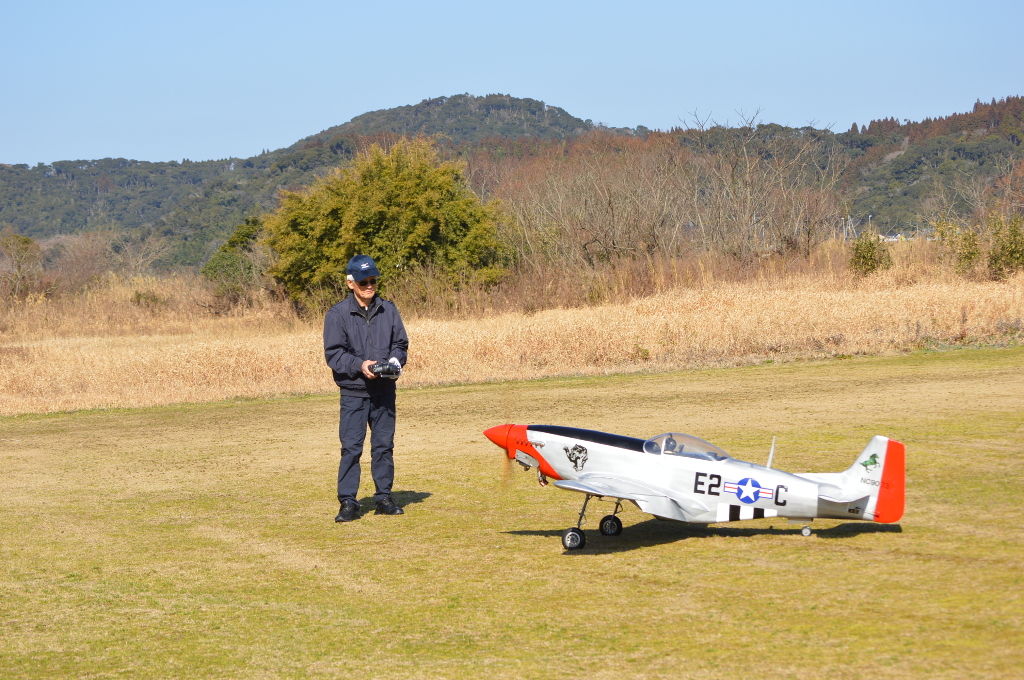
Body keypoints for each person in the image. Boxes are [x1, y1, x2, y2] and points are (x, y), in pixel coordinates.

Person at [323, 254, 409, 522]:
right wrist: (360, 365)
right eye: (364, 282)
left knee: (383, 446)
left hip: (384, 391)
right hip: (354, 393)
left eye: (373, 280)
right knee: (351, 448)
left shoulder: (388, 310)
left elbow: (401, 344)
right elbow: (334, 355)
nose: (370, 285)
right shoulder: (337, 314)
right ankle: (348, 502)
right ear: (351, 283)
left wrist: (394, 361)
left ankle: (384, 497)